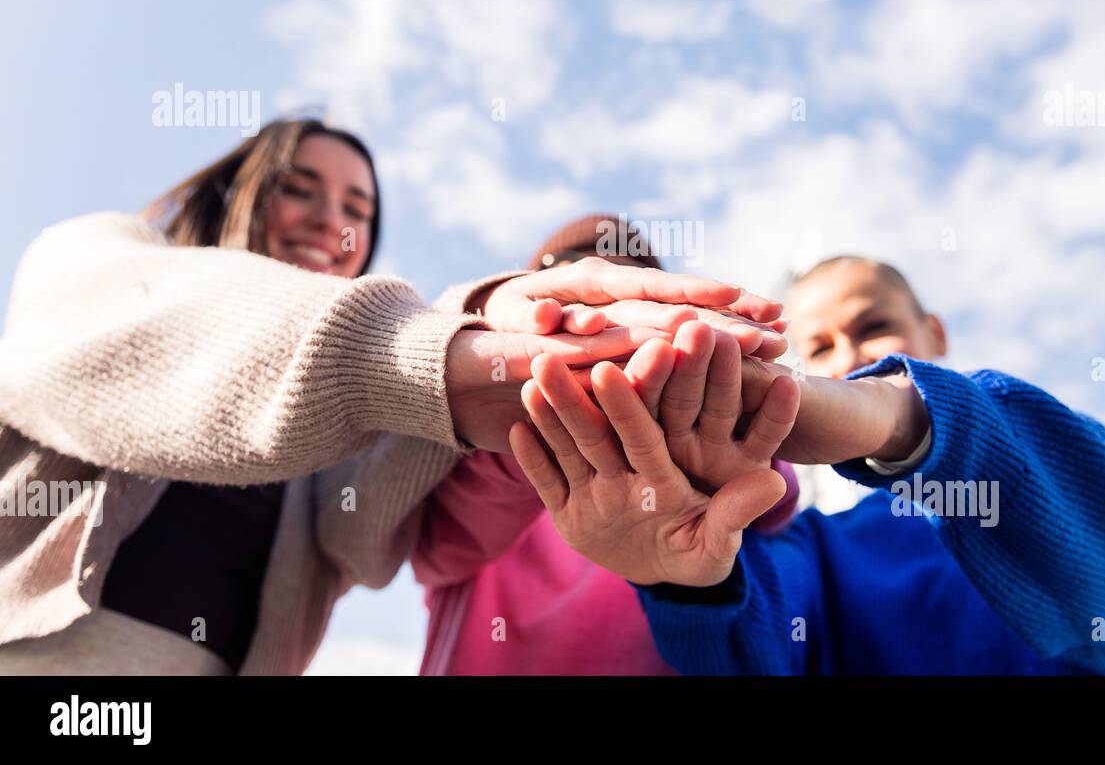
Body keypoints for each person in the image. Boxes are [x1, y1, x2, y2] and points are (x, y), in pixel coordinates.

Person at [0, 120, 781, 675]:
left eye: (357, 211)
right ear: (237, 191)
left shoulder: (351, 419)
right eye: (296, 189)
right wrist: (446, 348)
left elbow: (366, 543)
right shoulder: (99, 255)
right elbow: (161, 321)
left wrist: (529, 375)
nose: (329, 222)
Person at [509, 255, 1105, 675]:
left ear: (933, 336)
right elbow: (748, 654)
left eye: (874, 325)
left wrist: (888, 412)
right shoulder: (810, 549)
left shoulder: (1064, 453)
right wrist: (681, 579)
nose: (850, 354)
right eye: (821, 345)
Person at [412, 215, 798, 675]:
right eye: (569, 279)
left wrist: (732, 427)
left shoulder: (691, 461)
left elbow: (775, 505)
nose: (599, 317)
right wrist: (543, 414)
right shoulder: (468, 461)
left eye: (630, 286)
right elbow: (444, 540)